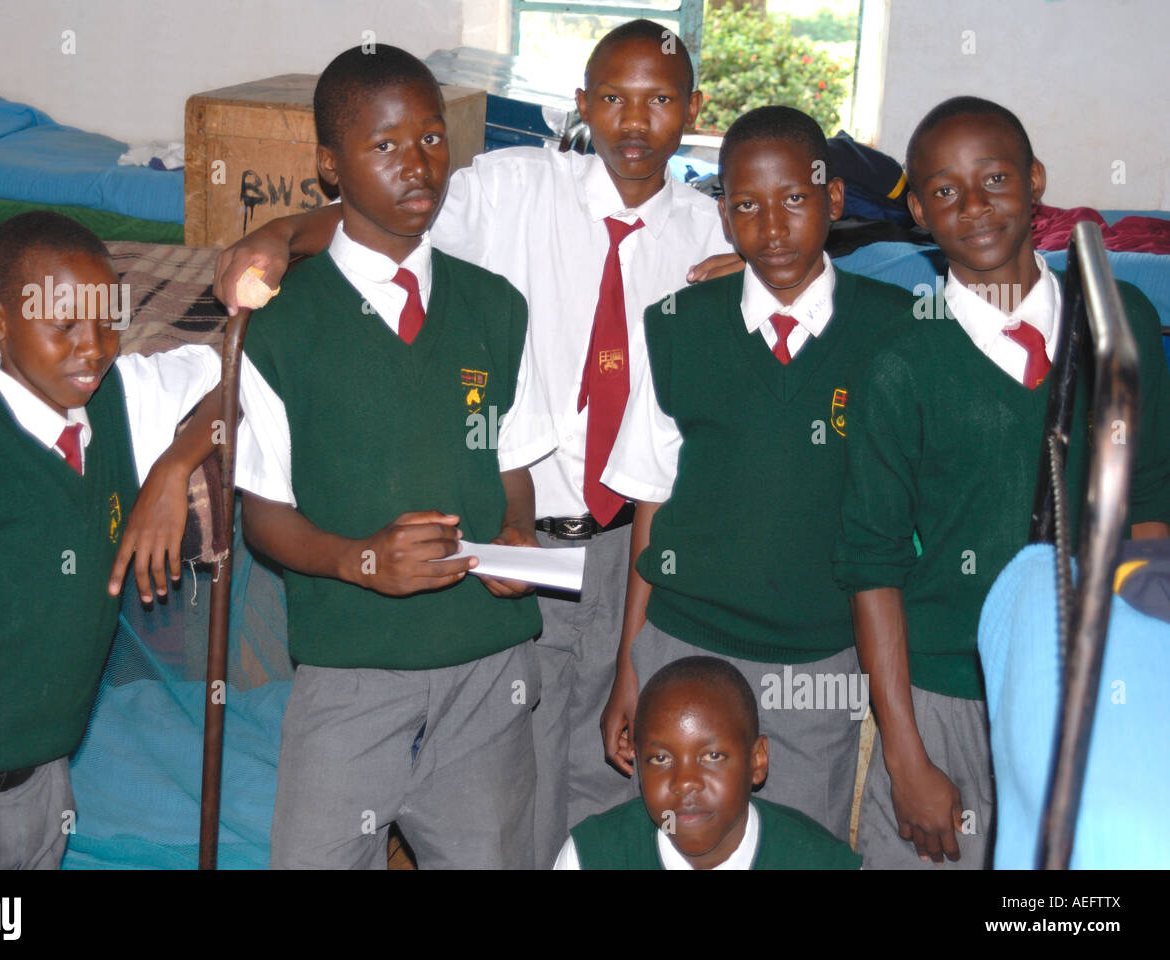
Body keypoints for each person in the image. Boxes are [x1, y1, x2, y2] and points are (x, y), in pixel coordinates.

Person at [212, 18, 739, 868]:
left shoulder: (715, 236)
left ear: (695, 109)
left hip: (633, 547)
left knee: (614, 768)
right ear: (581, 105)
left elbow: (511, 455)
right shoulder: (511, 187)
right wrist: (279, 234)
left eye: (660, 100)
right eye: (613, 97)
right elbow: (379, 216)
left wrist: (759, 277)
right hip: (511, 577)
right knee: (519, 797)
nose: (636, 121)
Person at [231, 44, 556, 869]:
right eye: (385, 145)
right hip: (352, 670)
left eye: (432, 139)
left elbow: (511, 462)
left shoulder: (495, 307)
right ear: (329, 167)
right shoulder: (280, 329)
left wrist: (517, 532)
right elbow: (264, 514)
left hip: (487, 666)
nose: (418, 165)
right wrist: (361, 560)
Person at [833, 95, 1170, 869]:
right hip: (949, 694)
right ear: (919, 211)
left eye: (994, 179)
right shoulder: (900, 360)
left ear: (1035, 179)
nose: (974, 206)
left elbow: (1150, 499)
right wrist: (906, 758)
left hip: (1093, 683)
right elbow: (872, 563)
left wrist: (1144, 661)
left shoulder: (1120, 322)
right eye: (944, 191)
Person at [0, 211, 223, 868]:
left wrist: (174, 467)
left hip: (47, 785)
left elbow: (241, 363)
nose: (94, 348)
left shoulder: (122, 399)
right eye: (64, 326)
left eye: (107, 322)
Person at [600, 106, 914, 839]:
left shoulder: (895, 328)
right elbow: (652, 505)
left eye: (795, 199)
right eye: (746, 205)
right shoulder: (679, 324)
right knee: (676, 843)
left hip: (819, 659)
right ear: (723, 214)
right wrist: (629, 665)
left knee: (800, 844)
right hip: (682, 645)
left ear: (834, 199)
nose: (772, 228)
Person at [555, 655, 860, 869]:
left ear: (757, 760)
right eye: (660, 758)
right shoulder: (594, 859)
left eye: (712, 756)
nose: (685, 782)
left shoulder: (817, 862)